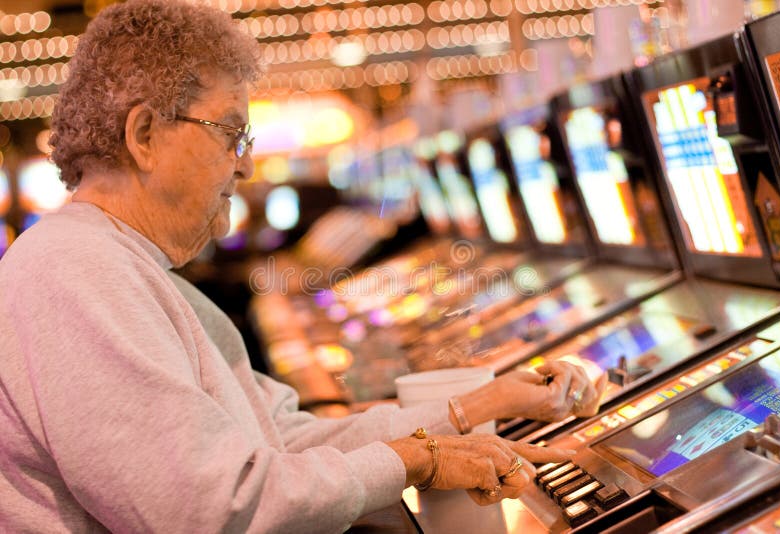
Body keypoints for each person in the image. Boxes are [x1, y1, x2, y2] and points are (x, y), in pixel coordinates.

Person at [0, 1, 605, 532]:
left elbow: (279, 441)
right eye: (230, 133)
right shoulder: (73, 273)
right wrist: (419, 459)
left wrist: (472, 408)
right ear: (144, 134)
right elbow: (216, 509)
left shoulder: (131, 270)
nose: (243, 166)